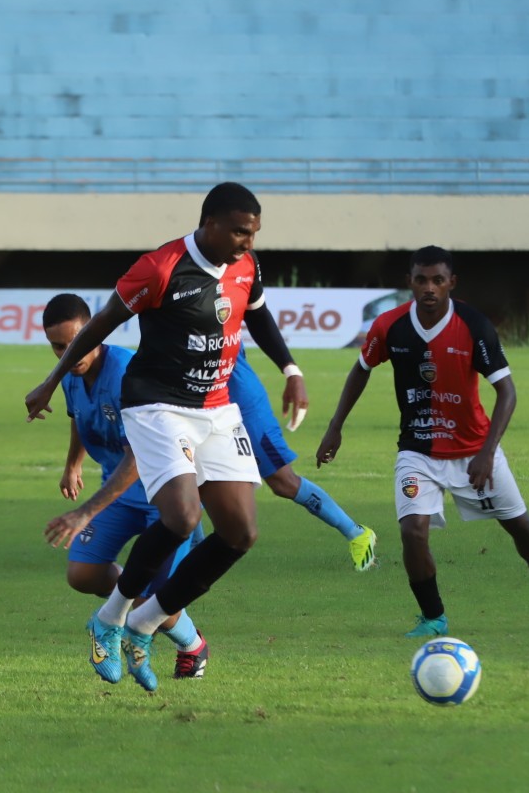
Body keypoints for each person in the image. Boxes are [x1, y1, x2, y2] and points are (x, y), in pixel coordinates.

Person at [24, 182, 305, 692]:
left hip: (216, 407)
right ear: (210, 224)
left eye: (254, 232)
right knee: (182, 516)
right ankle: (110, 619)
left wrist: (290, 368)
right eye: (241, 231)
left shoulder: (247, 267)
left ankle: (144, 622)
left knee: (241, 533)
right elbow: (101, 325)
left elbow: (258, 314)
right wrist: (50, 381)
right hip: (157, 403)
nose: (249, 241)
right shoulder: (159, 268)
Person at [315, 245, 529, 638]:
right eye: (421, 279)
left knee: (521, 528)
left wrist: (486, 454)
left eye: (437, 280)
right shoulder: (389, 326)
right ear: (409, 282)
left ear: (452, 283)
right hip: (417, 450)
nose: (429, 288)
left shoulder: (473, 325)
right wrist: (335, 427)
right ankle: (434, 617)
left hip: (473, 451)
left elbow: (508, 393)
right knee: (413, 531)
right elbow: (361, 369)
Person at [40, 294, 209, 681]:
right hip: (117, 492)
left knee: (157, 598)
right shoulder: (71, 372)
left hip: (163, 496)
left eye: (74, 342)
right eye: (58, 346)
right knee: (82, 573)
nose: (68, 353)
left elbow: (136, 462)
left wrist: (85, 511)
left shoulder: (127, 375)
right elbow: (79, 415)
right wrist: (73, 464)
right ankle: (128, 607)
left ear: (94, 332)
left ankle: (193, 646)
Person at [230, 345, 377, 570]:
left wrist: (292, 372)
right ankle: (193, 556)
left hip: (240, 401)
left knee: (283, 482)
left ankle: (356, 534)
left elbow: (259, 316)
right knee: (194, 480)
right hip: (189, 403)